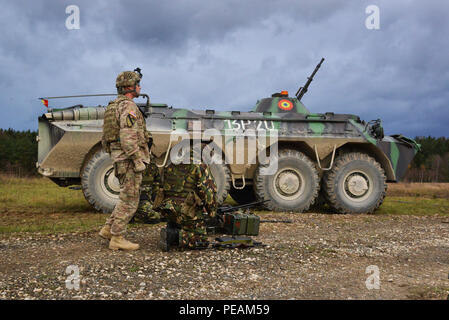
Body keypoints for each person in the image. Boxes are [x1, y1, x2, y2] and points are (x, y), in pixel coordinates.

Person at [99, 69, 151, 250]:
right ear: (130, 87)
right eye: (138, 84)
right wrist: (137, 159)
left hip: (119, 158)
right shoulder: (128, 107)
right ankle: (117, 238)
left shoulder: (113, 106)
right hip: (128, 159)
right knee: (130, 200)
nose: (140, 87)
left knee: (124, 197)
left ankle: (108, 229)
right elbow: (128, 136)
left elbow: (106, 138)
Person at [139, 148, 218, 251]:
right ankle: (173, 236)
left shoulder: (170, 165)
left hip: (168, 209)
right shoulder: (200, 166)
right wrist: (212, 213)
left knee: (180, 221)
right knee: (201, 241)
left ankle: (172, 229)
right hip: (186, 212)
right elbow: (209, 193)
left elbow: (160, 187)